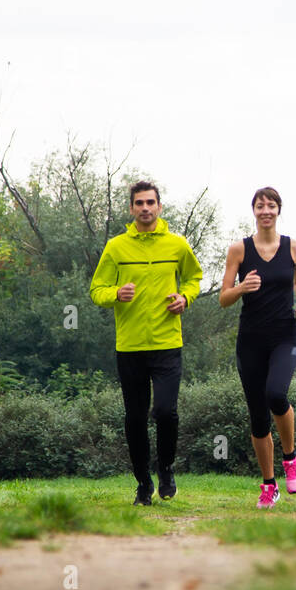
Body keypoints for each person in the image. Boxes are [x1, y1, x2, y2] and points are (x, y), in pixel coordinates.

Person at [90, 181, 203, 505]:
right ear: (131, 208)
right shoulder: (116, 247)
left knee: (166, 412)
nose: (145, 208)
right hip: (130, 346)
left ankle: (166, 469)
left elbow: (195, 277)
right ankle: (143, 483)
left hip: (167, 342)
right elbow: (97, 289)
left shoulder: (177, 245)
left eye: (150, 202)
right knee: (135, 418)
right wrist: (115, 294)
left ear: (160, 207)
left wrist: (186, 297)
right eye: (139, 203)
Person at [220, 186, 296, 508]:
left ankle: (291, 460)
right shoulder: (239, 250)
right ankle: (269, 485)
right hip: (251, 341)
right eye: (260, 206)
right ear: (254, 211)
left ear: (278, 210)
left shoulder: (295, 247)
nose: (266, 211)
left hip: (284, 337)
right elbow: (223, 298)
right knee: (258, 418)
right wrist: (242, 287)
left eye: (271, 205)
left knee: (276, 395)